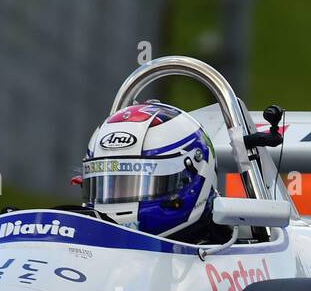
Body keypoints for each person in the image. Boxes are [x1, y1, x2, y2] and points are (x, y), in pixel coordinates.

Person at [76, 101, 224, 243]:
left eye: (136, 184)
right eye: (106, 186)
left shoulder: (231, 263)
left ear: (191, 176)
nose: (117, 195)